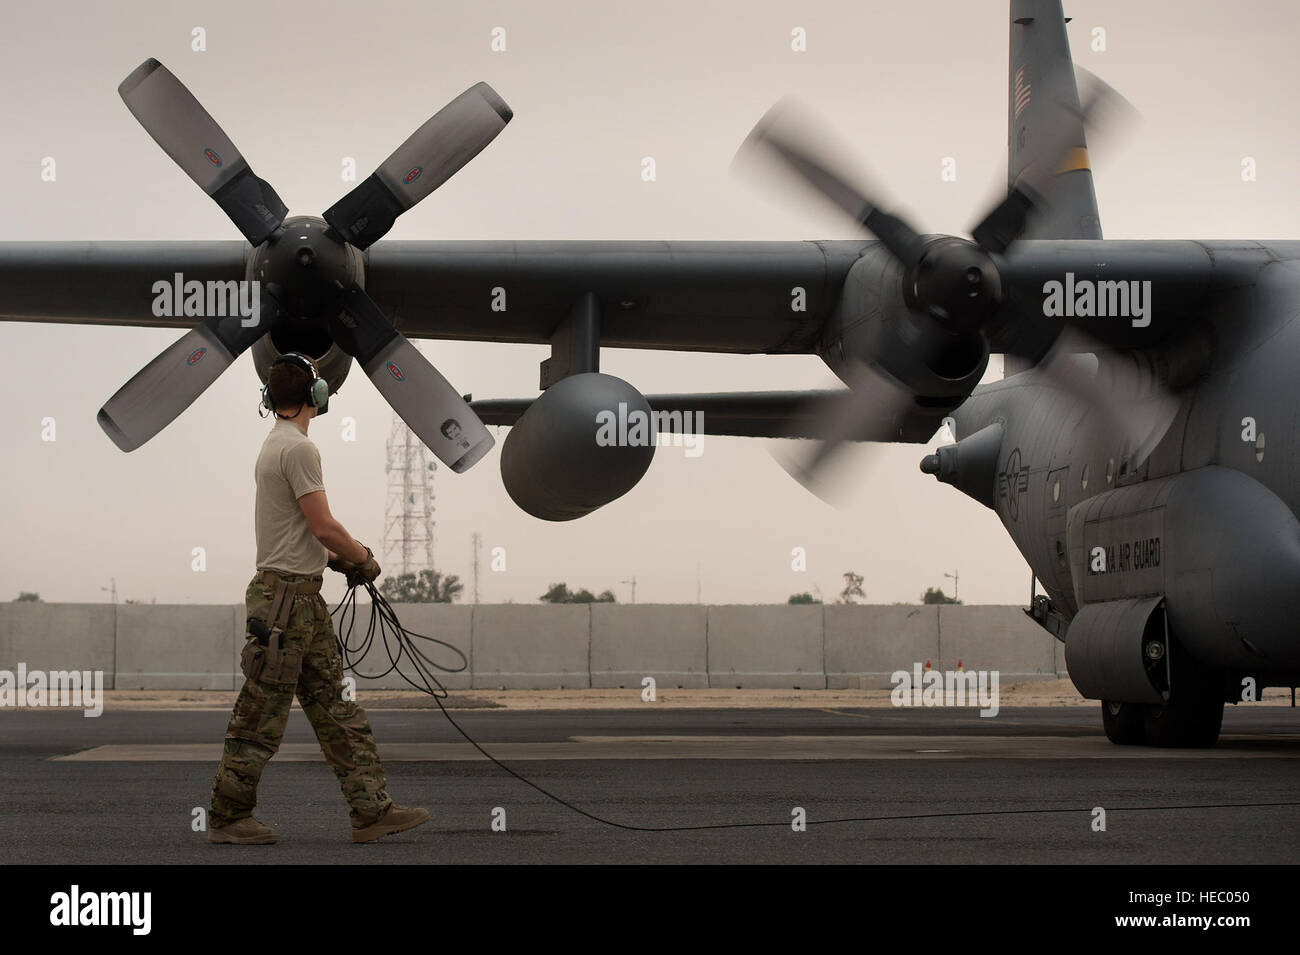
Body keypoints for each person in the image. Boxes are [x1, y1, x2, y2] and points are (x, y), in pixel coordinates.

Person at [208, 351, 430, 845]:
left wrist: (333, 561)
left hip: (297, 599)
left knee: (336, 709)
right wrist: (363, 557)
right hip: (288, 604)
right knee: (261, 713)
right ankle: (228, 817)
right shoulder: (300, 450)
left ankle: (371, 811)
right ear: (317, 396)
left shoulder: (275, 445)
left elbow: (294, 534)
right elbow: (323, 525)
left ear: (270, 399)